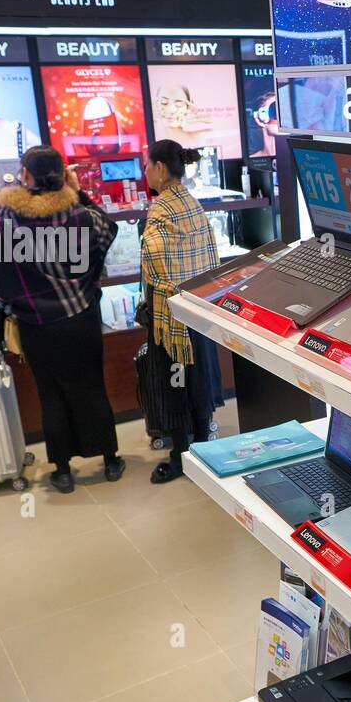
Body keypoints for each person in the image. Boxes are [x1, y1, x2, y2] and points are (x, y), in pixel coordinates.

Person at [0, 144, 124, 493]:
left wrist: (14, 305)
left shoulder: (9, 220)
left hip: (36, 326)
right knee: (91, 387)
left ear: (25, 176)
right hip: (82, 318)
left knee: (51, 395)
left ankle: (62, 470)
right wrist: (78, 192)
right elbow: (109, 230)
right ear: (63, 174)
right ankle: (110, 459)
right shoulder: (80, 216)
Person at [141, 139, 222, 484]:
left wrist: (160, 283)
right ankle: (204, 445)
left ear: (160, 167)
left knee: (173, 384)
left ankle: (181, 456)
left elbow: (155, 266)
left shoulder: (161, 210)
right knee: (198, 380)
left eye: (147, 165)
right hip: (199, 308)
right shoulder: (192, 203)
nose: (145, 171)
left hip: (171, 315)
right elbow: (210, 254)